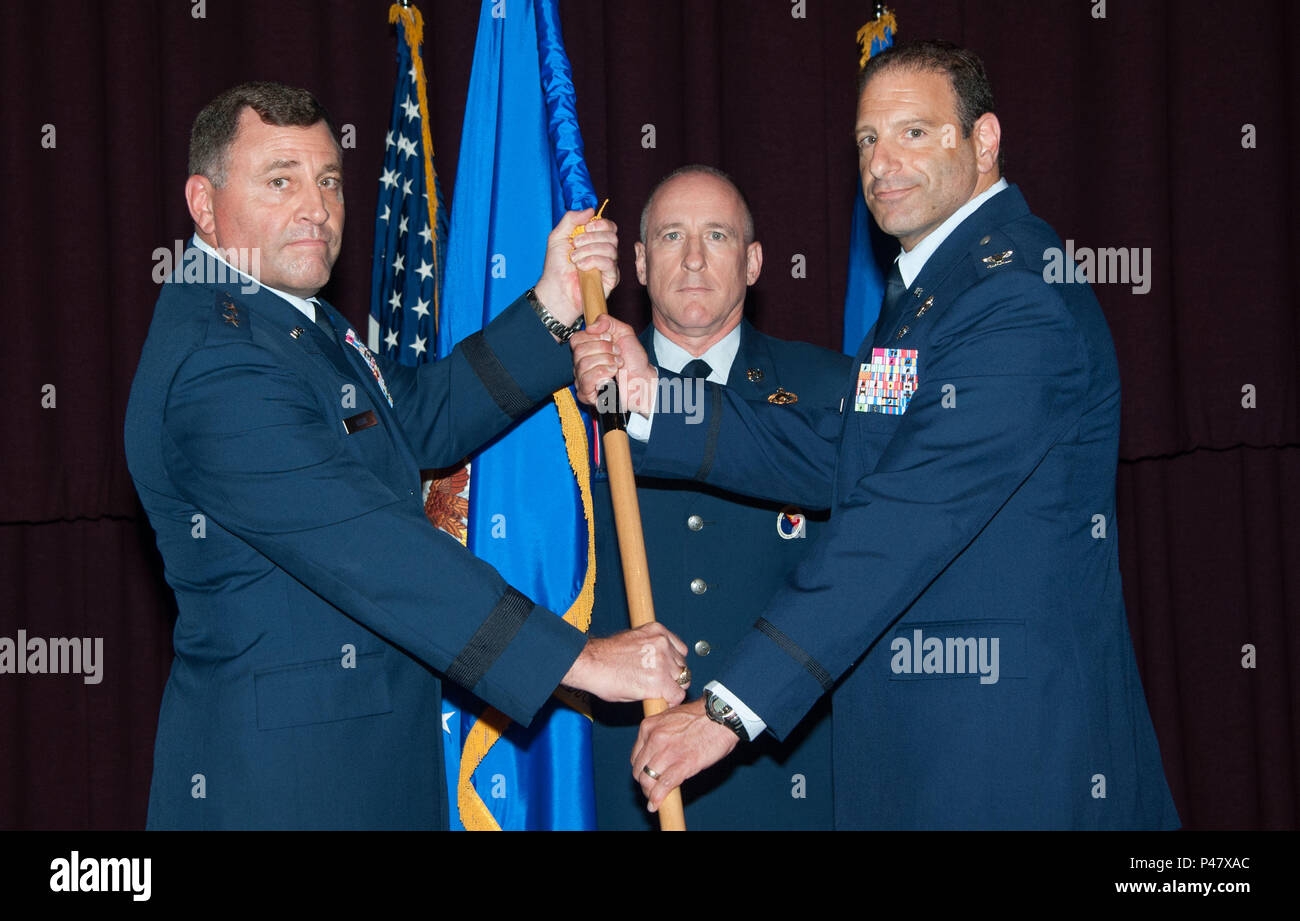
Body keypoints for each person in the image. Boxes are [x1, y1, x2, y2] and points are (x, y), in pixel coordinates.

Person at [572, 41, 1181, 829]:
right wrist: (655, 398)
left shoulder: (1017, 297)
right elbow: (842, 446)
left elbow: (901, 519)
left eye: (915, 134)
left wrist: (727, 707)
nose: (883, 162)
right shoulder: (936, 291)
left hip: (1005, 757)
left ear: (984, 140)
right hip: (924, 751)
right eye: (867, 140)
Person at [124, 82, 689, 830]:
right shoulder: (217, 361)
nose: (316, 207)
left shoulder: (287, 318)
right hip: (287, 793)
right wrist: (579, 662)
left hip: (358, 770)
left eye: (328, 180)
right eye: (281, 180)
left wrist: (552, 304)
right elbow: (372, 547)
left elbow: (414, 418)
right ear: (203, 203)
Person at [588, 166, 848, 830]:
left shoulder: (831, 387)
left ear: (756, 261)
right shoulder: (574, 399)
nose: (695, 258)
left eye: (718, 235)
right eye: (672, 235)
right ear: (640, 263)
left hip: (788, 772)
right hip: (627, 774)